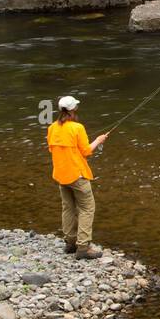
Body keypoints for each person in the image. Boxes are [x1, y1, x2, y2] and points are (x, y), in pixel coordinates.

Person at [47, 95, 110, 259]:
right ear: (74, 110)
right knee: (87, 209)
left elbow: (53, 150)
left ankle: (70, 243)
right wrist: (99, 140)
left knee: (68, 208)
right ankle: (83, 248)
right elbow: (86, 151)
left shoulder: (52, 128)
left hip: (61, 175)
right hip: (77, 175)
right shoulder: (77, 127)